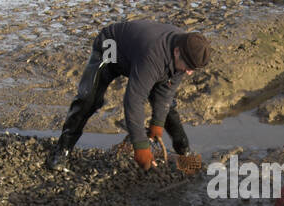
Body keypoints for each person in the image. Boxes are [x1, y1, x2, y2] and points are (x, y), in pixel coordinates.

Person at [48, 20, 209, 173]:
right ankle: (62, 151)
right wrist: (140, 146)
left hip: (136, 57)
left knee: (169, 108)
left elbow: (165, 93)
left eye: (193, 68)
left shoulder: (185, 51)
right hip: (111, 48)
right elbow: (134, 100)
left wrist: (157, 124)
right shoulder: (154, 54)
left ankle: (185, 154)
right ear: (176, 52)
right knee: (88, 99)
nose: (189, 72)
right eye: (188, 66)